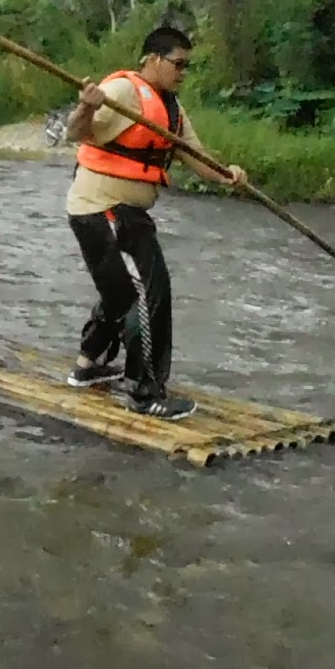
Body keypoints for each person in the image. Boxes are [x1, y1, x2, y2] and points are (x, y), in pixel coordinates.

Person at [61, 25, 247, 421]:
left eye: (187, 67)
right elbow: (74, 134)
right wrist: (87, 106)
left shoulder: (173, 110)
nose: (183, 73)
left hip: (127, 213)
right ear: (152, 60)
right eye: (178, 64)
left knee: (119, 293)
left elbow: (193, 154)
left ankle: (89, 365)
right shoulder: (124, 91)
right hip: (101, 208)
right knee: (147, 292)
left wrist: (226, 174)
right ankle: (146, 392)